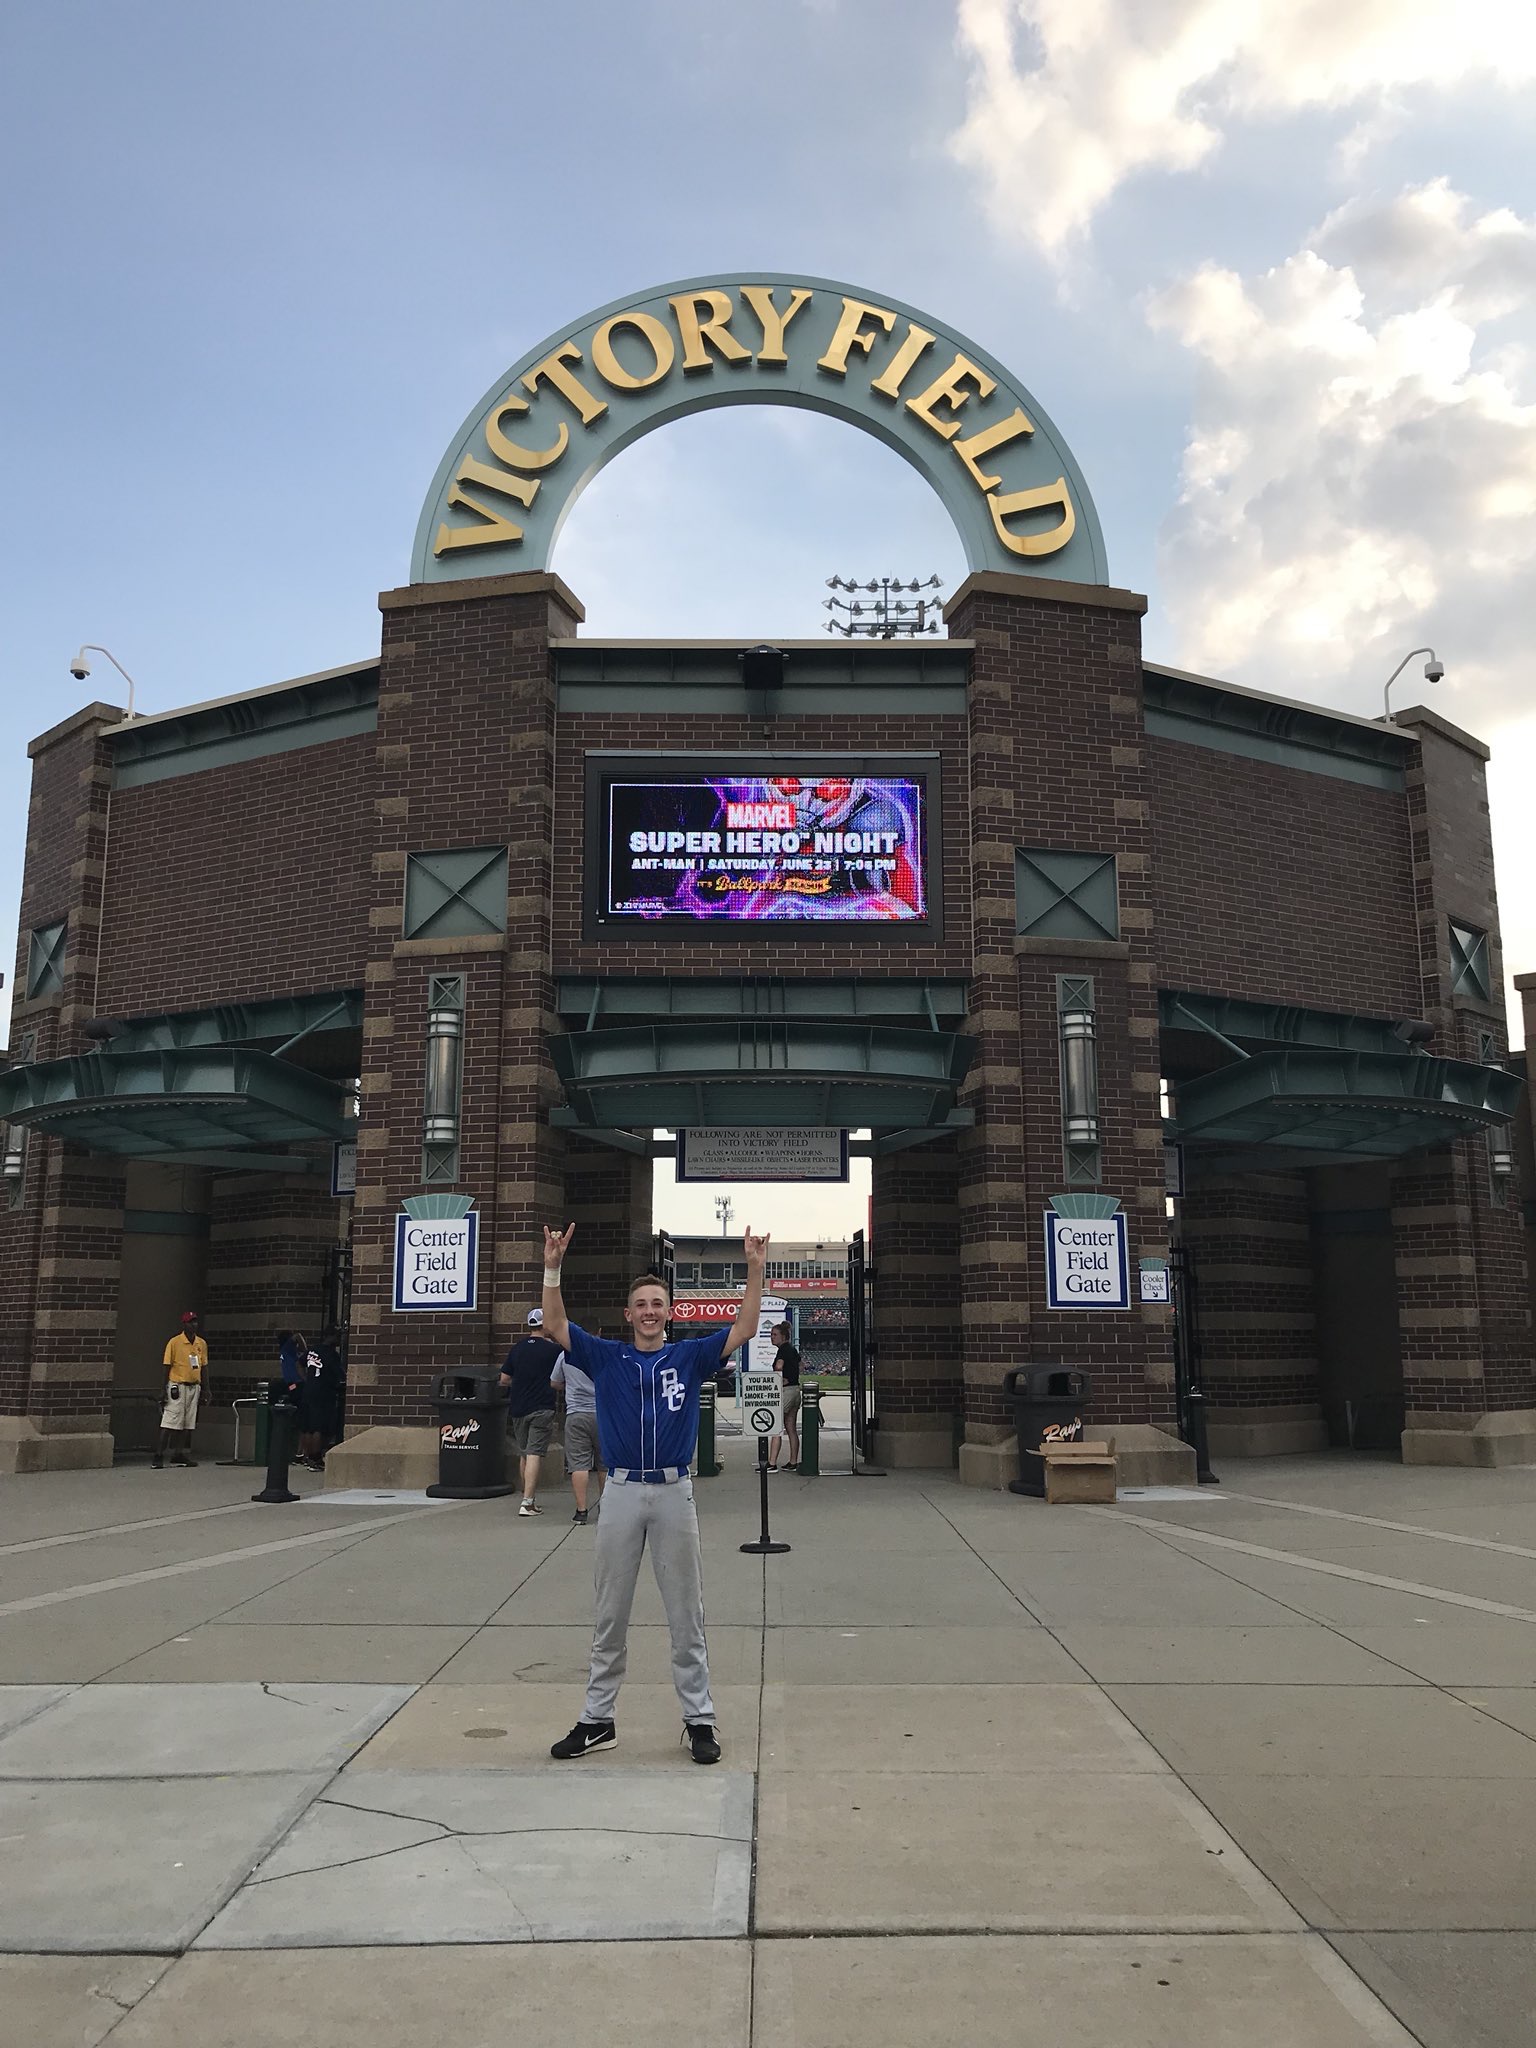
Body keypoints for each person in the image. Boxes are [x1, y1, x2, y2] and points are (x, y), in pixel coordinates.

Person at [540, 1219, 768, 1767]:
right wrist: (552, 1266)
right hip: (619, 1491)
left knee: (685, 1614)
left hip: (672, 1491)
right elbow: (554, 1323)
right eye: (640, 1303)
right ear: (628, 1313)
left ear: (669, 1312)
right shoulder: (605, 1356)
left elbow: (743, 1328)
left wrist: (755, 1270)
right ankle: (597, 1719)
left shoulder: (688, 1357)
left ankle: (699, 1719)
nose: (648, 1311)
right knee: (609, 1612)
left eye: (657, 1303)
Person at [498, 1308, 561, 1517]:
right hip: (542, 1406)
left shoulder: (517, 1349)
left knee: (524, 1453)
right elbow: (561, 1377)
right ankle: (527, 1501)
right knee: (535, 1453)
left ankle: (527, 1496)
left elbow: (504, 1379)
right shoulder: (554, 1351)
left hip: (518, 1407)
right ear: (545, 1325)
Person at [552, 1349, 601, 1525]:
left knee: (579, 1464)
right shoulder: (601, 1352)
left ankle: (581, 1511)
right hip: (602, 1414)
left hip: (576, 1414)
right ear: (599, 1331)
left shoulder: (565, 1355)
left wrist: (570, 1385)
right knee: (605, 1464)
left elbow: (554, 1382)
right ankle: (606, 1507)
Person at [153, 1310, 207, 1468]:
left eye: (195, 1321)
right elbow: (166, 1366)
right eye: (191, 1322)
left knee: (188, 1423)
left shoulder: (201, 1344)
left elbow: (204, 1366)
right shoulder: (175, 1342)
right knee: (170, 1421)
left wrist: (206, 1388)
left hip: (194, 1386)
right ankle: (158, 1455)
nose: (194, 1324)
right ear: (184, 1324)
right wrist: (163, 1388)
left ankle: (179, 1453)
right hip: (178, 1385)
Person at [768, 1320, 802, 1472]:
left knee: (776, 1427)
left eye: (775, 1334)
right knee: (791, 1428)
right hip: (796, 1390)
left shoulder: (782, 1350)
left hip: (786, 1391)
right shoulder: (793, 1350)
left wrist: (778, 1378)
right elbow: (799, 1365)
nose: (772, 1337)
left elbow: (778, 1366)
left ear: (783, 1336)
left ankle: (772, 1462)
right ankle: (793, 1461)